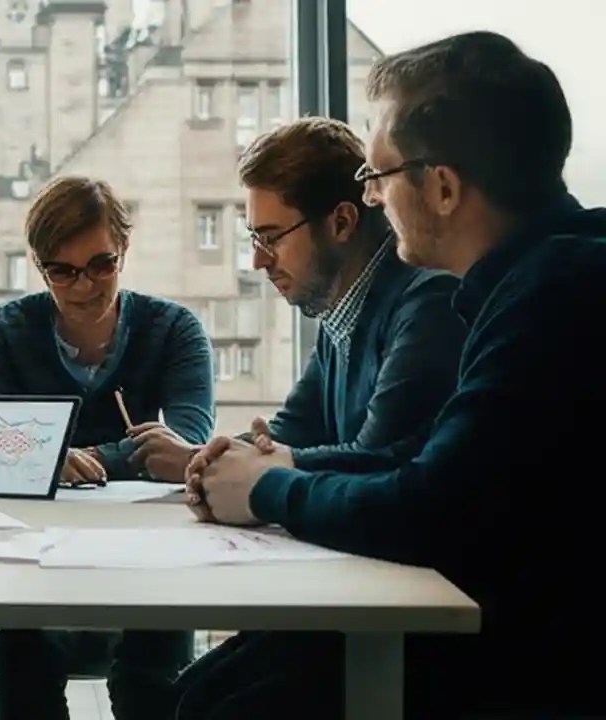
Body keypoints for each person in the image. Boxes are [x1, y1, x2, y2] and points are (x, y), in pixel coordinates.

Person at [180, 31, 606, 718]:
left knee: (222, 701)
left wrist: (268, 488)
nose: (372, 199)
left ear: (440, 187)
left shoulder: (552, 296)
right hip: (524, 633)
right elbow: (428, 461)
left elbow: (428, 508)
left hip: (537, 668)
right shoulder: (539, 279)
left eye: (377, 175)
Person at [0, 175, 211, 720]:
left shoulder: (175, 330)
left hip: (151, 558)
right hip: (32, 557)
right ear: (39, 265)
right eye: (63, 271)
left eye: (102, 265)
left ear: (124, 251)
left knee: (152, 681)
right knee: (23, 664)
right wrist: (118, 454)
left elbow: (185, 445)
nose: (84, 286)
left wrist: (61, 458)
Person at [132, 117, 464, 482]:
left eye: (272, 238)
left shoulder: (428, 306)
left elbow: (375, 459)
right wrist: (205, 459)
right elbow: (293, 432)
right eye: (254, 241)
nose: (258, 261)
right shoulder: (341, 310)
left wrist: (235, 468)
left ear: (341, 222)